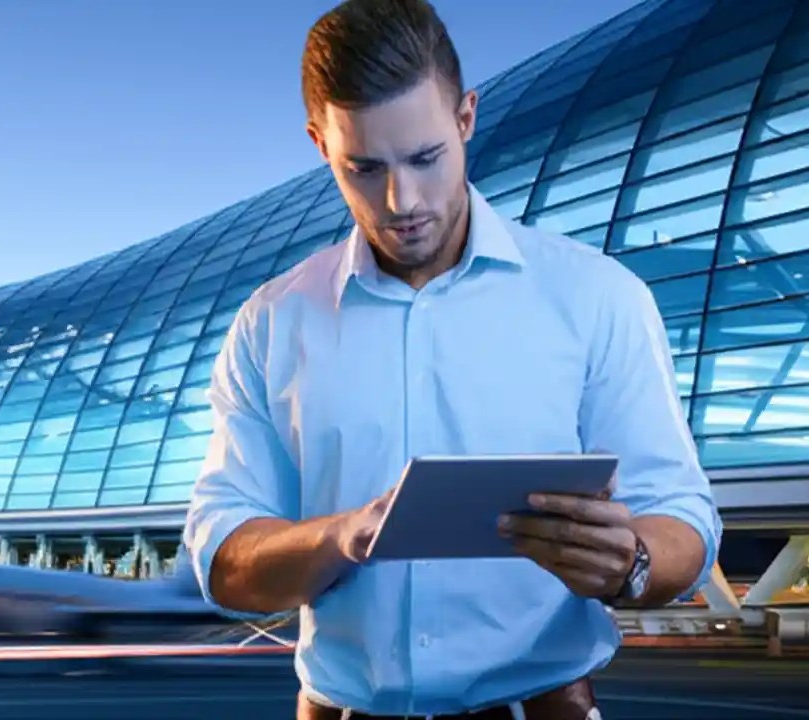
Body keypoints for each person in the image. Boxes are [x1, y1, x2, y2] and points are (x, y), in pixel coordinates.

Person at [181, 0, 723, 718]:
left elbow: (683, 517)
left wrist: (632, 563)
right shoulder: (272, 325)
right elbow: (225, 563)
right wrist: (342, 538)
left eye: (426, 157)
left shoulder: (596, 297)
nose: (401, 199)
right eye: (364, 168)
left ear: (466, 118)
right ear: (320, 144)